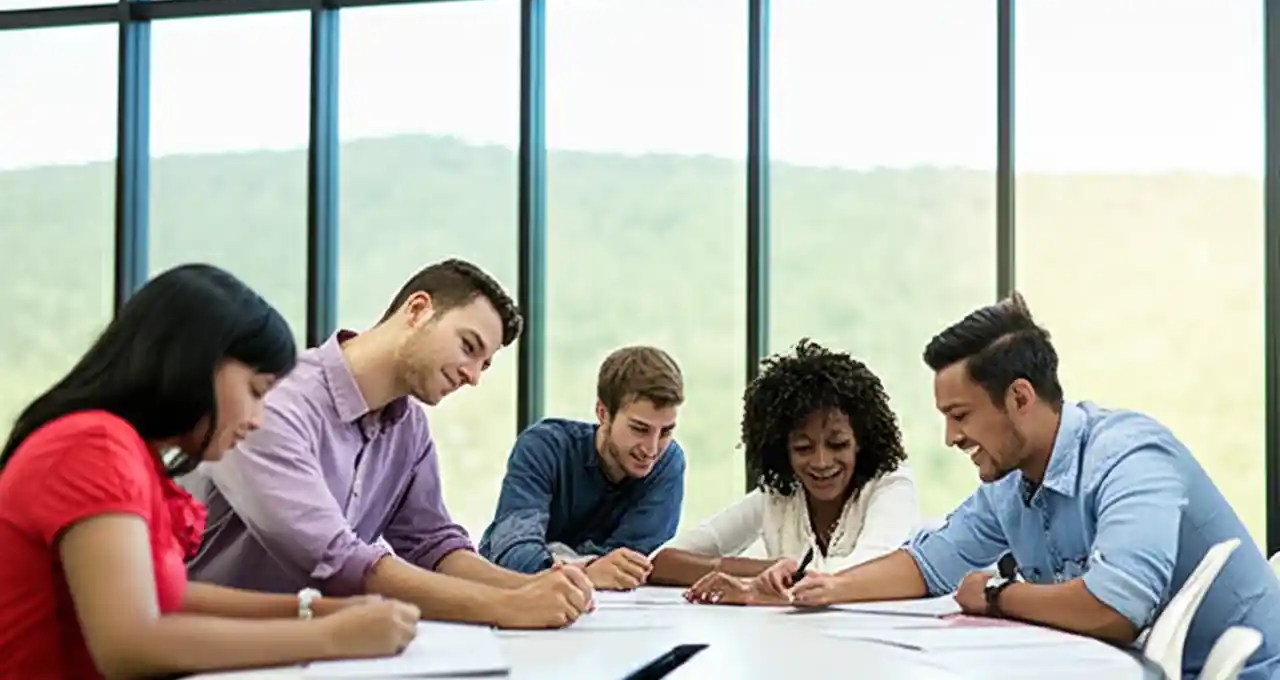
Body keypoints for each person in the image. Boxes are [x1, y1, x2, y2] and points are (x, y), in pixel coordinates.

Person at [778, 293, 1280, 679]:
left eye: (960, 416)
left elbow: (1116, 608)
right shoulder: (1011, 480)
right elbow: (929, 563)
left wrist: (998, 594)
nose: (951, 437)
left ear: (1020, 397)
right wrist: (822, 589)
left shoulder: (1130, 458)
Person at [0, 264, 420, 680]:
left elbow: (167, 595)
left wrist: (316, 610)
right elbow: (130, 645)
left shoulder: (125, 450)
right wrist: (332, 637)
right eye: (256, 392)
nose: (258, 418)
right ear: (195, 364)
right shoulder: (93, 448)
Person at [182, 258, 594, 629]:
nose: (473, 376)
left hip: (318, 651)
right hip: (207, 654)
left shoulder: (409, 426)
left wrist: (534, 586)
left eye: (484, 364)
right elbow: (334, 559)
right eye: (469, 347)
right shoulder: (277, 402)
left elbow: (432, 542)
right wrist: (507, 605)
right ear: (416, 311)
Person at [649, 339, 919, 602]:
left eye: (838, 444)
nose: (822, 461)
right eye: (803, 448)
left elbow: (862, 573)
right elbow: (662, 561)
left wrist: (759, 588)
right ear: (781, 450)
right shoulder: (781, 494)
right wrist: (764, 569)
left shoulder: (892, 486)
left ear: (862, 441)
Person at [479, 346, 686, 590]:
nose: (652, 449)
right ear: (603, 414)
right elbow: (511, 552)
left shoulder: (668, 462)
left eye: (666, 431)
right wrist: (587, 570)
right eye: (639, 429)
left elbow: (633, 566)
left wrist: (579, 567)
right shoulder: (543, 447)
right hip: (512, 595)